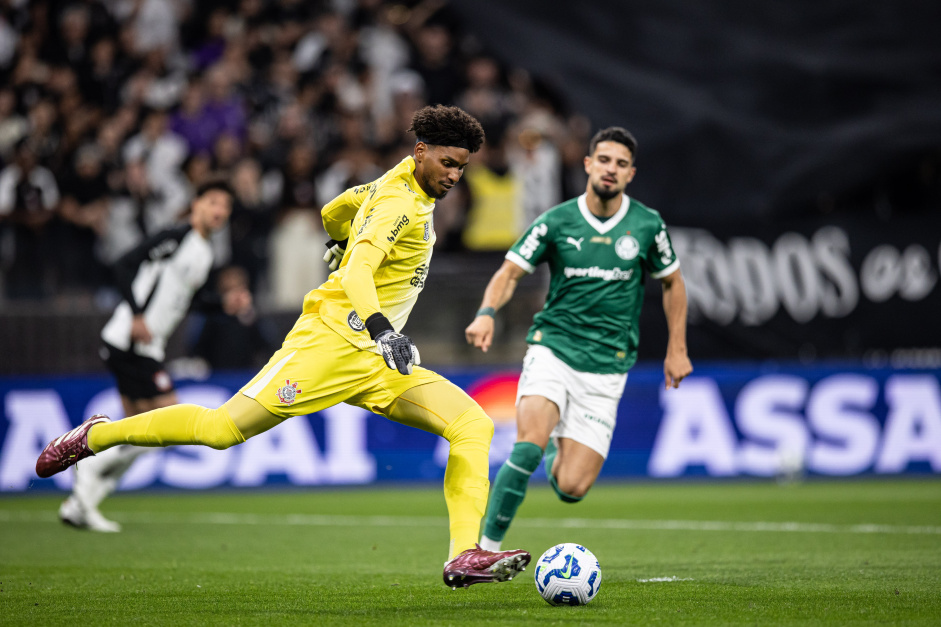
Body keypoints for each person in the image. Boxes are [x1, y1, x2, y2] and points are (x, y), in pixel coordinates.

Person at [38, 105, 531, 589]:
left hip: (375, 360)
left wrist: (340, 239)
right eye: (447, 163)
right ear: (421, 152)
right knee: (221, 429)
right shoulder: (398, 204)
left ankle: (464, 554)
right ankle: (97, 436)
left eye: (462, 168)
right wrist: (381, 325)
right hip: (333, 343)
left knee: (472, 423)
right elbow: (358, 271)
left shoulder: (393, 184)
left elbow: (333, 210)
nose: (454, 176)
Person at [464, 127, 693, 551]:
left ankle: (557, 442)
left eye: (621, 164)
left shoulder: (646, 225)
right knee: (527, 447)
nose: (611, 169)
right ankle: (483, 552)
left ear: (631, 174)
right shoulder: (557, 221)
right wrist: (486, 313)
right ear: (588, 165)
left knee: (571, 488)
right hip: (554, 347)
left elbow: (673, 283)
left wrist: (676, 349)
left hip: (608, 364)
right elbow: (510, 271)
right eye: (604, 160)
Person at [58, 179, 234, 532]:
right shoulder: (176, 236)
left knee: (137, 432)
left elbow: (188, 300)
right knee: (165, 424)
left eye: (225, 206)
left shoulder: (204, 252)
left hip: (143, 347)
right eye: (213, 202)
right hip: (130, 341)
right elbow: (125, 263)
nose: (219, 211)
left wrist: (223, 304)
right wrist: (137, 314)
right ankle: (89, 468)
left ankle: (82, 503)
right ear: (196, 203)